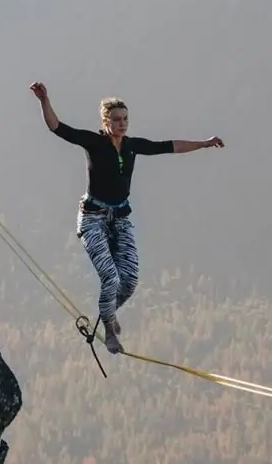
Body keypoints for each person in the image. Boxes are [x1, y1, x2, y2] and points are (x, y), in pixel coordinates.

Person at [29, 81, 224, 354]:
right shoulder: (94, 143)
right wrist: (44, 100)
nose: (122, 124)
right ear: (105, 121)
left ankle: (108, 312)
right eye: (117, 120)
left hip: (119, 217)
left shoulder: (132, 146)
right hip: (93, 218)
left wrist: (204, 144)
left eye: (125, 119)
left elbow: (170, 146)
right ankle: (109, 330)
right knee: (110, 276)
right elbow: (57, 128)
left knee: (129, 281)